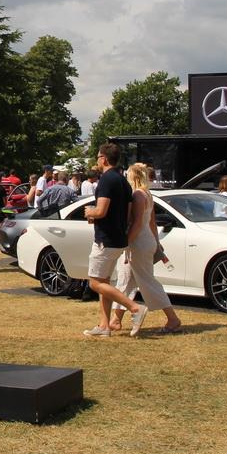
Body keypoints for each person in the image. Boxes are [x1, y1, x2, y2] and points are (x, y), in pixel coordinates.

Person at [82, 143, 148, 337]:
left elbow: (101, 210)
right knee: (104, 282)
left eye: (97, 157)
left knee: (95, 283)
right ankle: (104, 326)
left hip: (105, 239)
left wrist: (90, 212)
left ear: (104, 158)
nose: (96, 160)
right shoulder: (122, 181)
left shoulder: (106, 181)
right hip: (119, 238)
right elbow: (127, 214)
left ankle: (135, 308)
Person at [109, 162, 182, 335]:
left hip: (137, 243)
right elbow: (151, 222)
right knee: (126, 280)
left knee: (146, 281)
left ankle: (173, 319)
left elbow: (136, 223)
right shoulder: (147, 194)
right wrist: (156, 243)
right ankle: (115, 319)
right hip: (144, 241)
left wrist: (126, 244)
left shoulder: (137, 195)